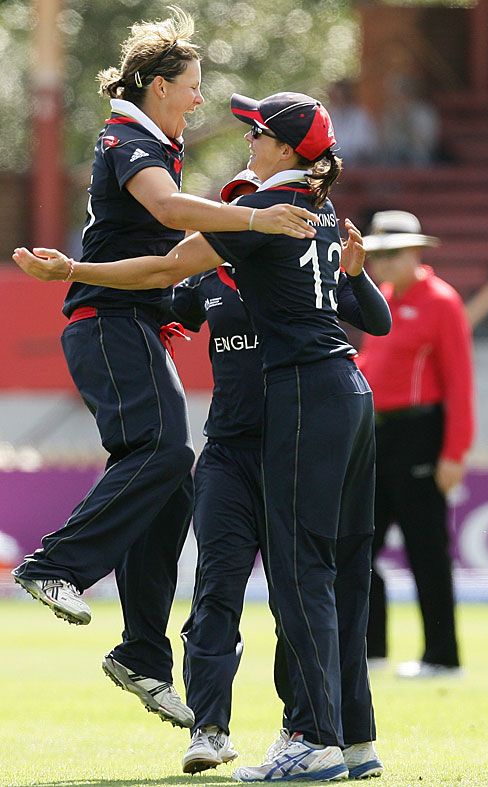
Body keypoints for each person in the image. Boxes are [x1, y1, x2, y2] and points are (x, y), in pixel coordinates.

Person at [13, 89, 392, 781]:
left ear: (284, 149)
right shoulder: (323, 211)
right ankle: (356, 736)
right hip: (351, 393)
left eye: (256, 131)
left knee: (301, 571)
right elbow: (360, 310)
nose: (247, 137)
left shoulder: (253, 214)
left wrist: (72, 271)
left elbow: (161, 270)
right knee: (341, 573)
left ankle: (313, 738)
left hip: (303, 393)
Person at [11, 7, 317, 731]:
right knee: (166, 452)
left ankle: (143, 654)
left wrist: (185, 292)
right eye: (191, 85)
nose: (200, 99)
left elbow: (169, 257)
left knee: (171, 482)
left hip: (131, 325)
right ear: (154, 86)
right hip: (107, 327)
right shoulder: (129, 141)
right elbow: (169, 212)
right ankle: (54, 565)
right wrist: (253, 218)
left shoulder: (148, 138)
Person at [160, 170, 389, 777]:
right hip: (229, 454)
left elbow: (372, 317)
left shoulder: (296, 268)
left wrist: (357, 272)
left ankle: (307, 729)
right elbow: (160, 304)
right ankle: (208, 728)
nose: (239, 219)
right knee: (217, 590)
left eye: (246, 208)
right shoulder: (208, 281)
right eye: (232, 210)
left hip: (294, 444)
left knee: (299, 592)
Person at [358, 210, 475, 678]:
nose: (381, 264)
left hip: (421, 435)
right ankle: (372, 651)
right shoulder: (381, 300)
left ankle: (442, 657)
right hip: (377, 435)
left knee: (426, 548)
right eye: (378, 255)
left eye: (391, 254)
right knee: (359, 545)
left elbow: (460, 384)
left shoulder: (441, 302)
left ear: (415, 253)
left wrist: (454, 453)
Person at [325, 80, 378, 165]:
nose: (336, 100)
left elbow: (366, 144)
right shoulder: (330, 116)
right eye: (334, 97)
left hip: (358, 164)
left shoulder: (359, 115)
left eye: (339, 97)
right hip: (334, 163)